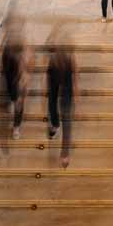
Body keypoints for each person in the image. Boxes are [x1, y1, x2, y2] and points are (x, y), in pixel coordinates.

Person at [46, 31, 76, 166]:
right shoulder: (54, 59)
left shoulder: (68, 58)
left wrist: (77, 90)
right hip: (59, 87)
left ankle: (64, 152)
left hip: (66, 92)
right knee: (53, 104)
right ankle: (55, 126)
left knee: (65, 117)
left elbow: (75, 75)